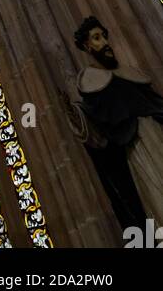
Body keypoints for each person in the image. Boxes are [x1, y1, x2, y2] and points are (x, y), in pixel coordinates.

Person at [69, 16, 163, 229]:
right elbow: (99, 125)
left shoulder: (130, 74)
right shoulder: (91, 83)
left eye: (103, 36)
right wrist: (77, 116)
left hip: (157, 134)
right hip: (136, 148)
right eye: (96, 38)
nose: (104, 42)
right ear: (87, 46)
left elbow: (155, 103)